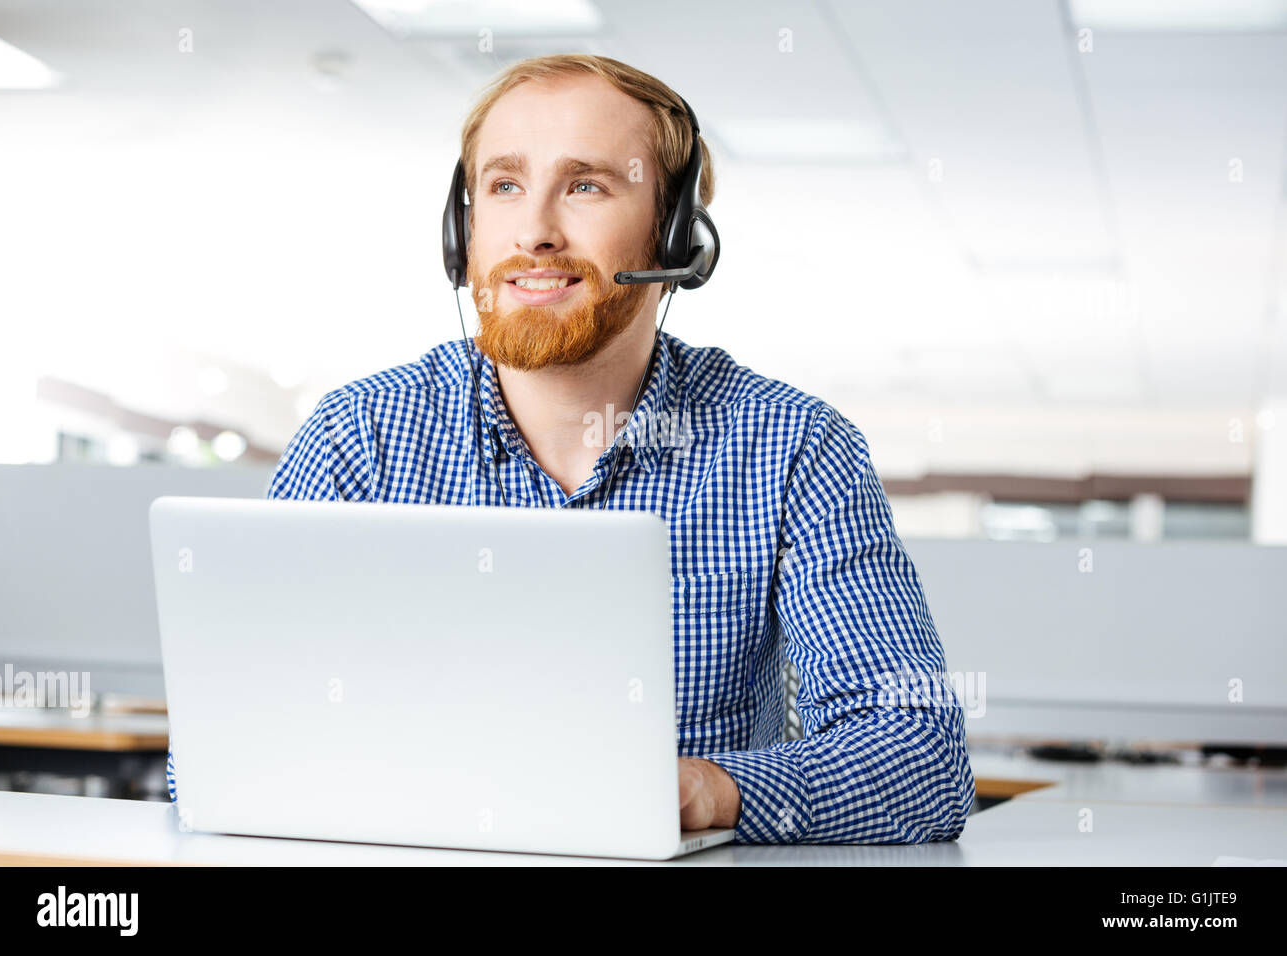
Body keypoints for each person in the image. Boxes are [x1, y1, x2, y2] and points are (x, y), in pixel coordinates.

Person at [168, 53, 974, 844]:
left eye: (585, 185)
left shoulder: (793, 446)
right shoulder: (360, 436)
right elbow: (212, 750)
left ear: (676, 233)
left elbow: (923, 760)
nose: (534, 232)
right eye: (505, 186)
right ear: (463, 229)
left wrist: (709, 787)